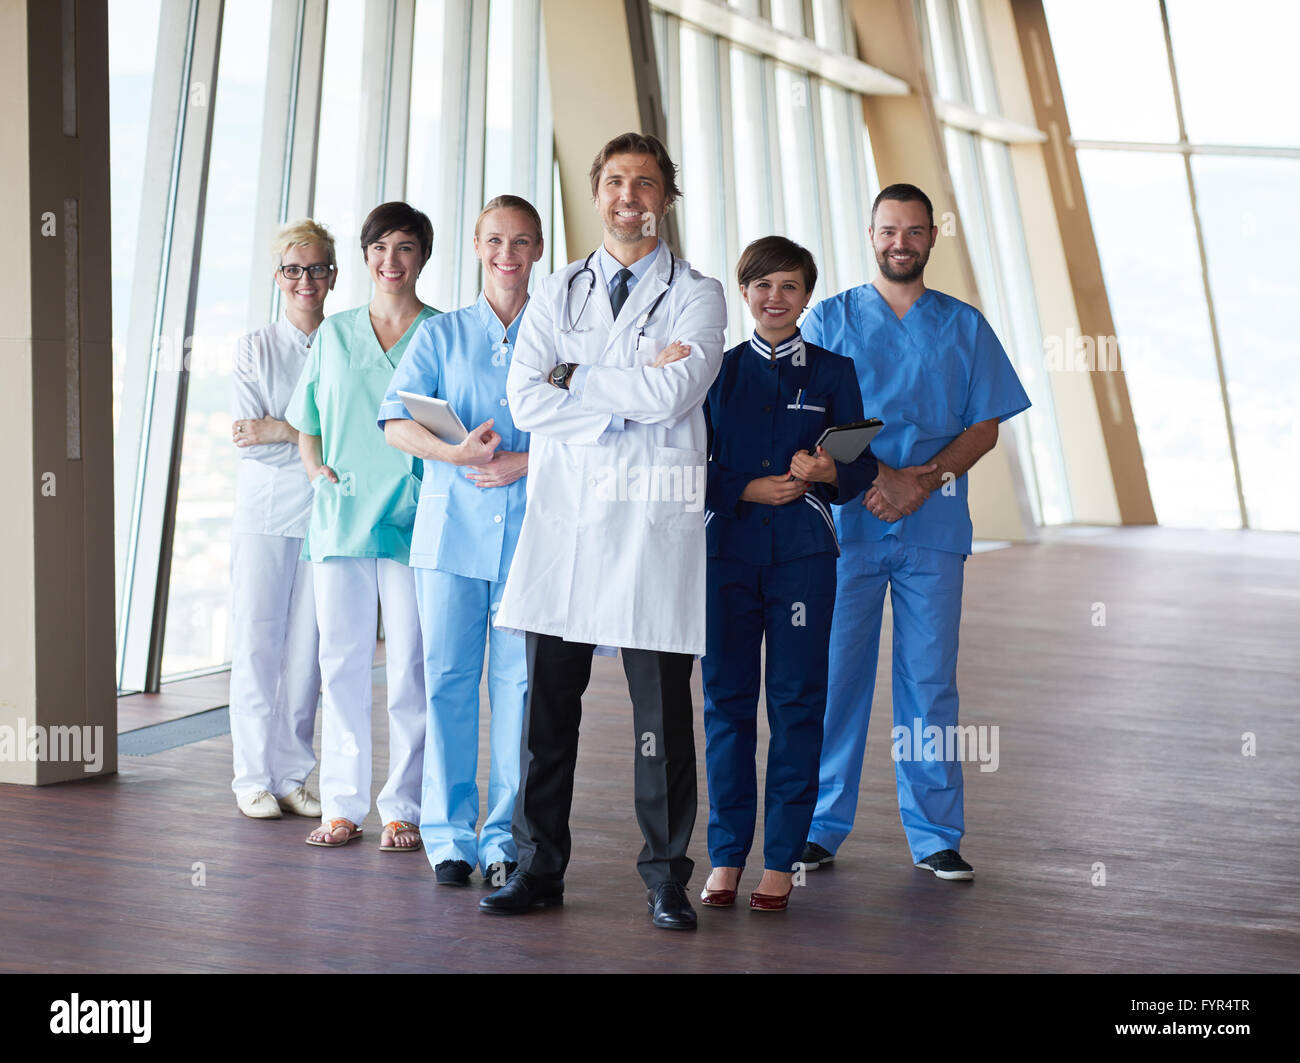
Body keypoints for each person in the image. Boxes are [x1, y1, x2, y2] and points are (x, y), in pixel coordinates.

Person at [481, 132, 727, 930]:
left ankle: (665, 878)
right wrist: (631, 390)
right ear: (596, 194)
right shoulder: (558, 290)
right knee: (547, 716)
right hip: (572, 525)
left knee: (663, 722)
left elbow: (678, 391)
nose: (629, 196)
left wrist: (577, 378)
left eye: (645, 183)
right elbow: (527, 398)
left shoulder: (698, 294)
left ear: (667, 198)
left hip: (652, 524)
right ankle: (537, 868)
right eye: (616, 181)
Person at [800, 183, 1030, 881]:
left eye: (914, 230)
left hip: (933, 524)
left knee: (930, 682)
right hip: (848, 522)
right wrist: (881, 478)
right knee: (835, 677)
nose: (900, 242)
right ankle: (817, 825)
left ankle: (935, 835)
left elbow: (984, 426)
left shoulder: (965, 325)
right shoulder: (830, 318)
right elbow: (808, 413)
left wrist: (920, 482)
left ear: (932, 237)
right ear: (871, 235)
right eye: (889, 230)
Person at [698, 237, 876, 912]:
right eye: (763, 285)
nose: (775, 298)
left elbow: (859, 466)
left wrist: (830, 470)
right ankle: (725, 855)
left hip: (804, 556)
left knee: (797, 702)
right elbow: (688, 464)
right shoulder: (716, 372)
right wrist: (745, 488)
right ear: (744, 291)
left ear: (806, 296)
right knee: (726, 703)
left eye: (790, 286)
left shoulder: (834, 371)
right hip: (727, 554)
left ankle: (781, 860)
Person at [379, 195, 543, 887]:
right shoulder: (439, 335)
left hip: (531, 536)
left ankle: (502, 837)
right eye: (495, 240)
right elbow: (395, 422)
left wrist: (523, 462)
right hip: (450, 537)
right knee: (446, 680)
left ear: (538, 250)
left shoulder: (556, 334)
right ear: (477, 247)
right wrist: (454, 454)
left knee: (518, 688)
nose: (507, 253)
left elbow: (588, 428)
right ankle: (449, 838)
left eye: (521, 241)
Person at [285, 201, 438, 852]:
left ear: (422, 256)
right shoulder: (335, 334)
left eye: (404, 247)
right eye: (379, 247)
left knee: (410, 666)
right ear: (365, 256)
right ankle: (343, 804)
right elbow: (308, 420)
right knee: (341, 663)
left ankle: (403, 806)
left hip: (413, 518)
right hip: (342, 515)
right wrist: (316, 470)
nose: (390, 260)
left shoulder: (440, 332)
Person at [228, 219, 336, 821]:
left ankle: (292, 775)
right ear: (278, 277)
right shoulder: (255, 347)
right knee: (257, 642)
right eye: (294, 270)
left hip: (324, 512)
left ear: (333, 276)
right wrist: (309, 438)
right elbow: (250, 440)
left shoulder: (343, 342)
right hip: (265, 513)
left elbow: (351, 435)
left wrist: (282, 429)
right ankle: (252, 777)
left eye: (316, 268)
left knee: (307, 653)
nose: (305, 280)